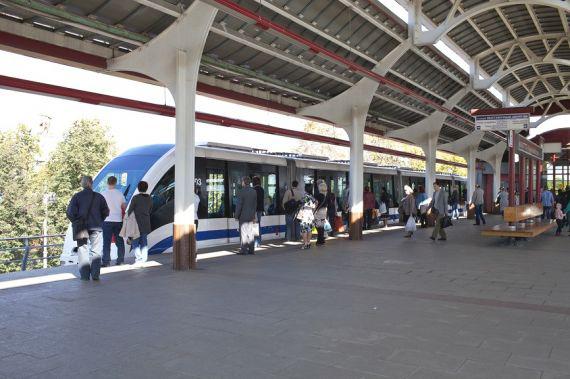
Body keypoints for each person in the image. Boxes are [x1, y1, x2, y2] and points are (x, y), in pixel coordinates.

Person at [66, 175, 109, 281]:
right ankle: (95, 275)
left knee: (82, 250)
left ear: (83, 184)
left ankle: (85, 276)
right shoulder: (99, 197)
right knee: (96, 251)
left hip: (81, 227)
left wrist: (76, 222)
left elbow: (70, 212)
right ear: (91, 183)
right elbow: (106, 212)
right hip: (96, 227)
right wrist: (99, 220)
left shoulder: (77, 197)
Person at [101, 176, 126, 267]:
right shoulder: (120, 194)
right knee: (119, 241)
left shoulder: (103, 194)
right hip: (118, 220)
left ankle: (106, 262)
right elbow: (124, 207)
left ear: (107, 183)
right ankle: (120, 260)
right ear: (115, 183)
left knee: (106, 242)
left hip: (107, 220)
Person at [127, 181, 153, 266]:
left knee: (135, 243)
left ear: (138, 188)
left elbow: (130, 210)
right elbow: (150, 209)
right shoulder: (149, 198)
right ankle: (144, 259)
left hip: (136, 223)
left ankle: (139, 259)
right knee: (144, 242)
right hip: (146, 222)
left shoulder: (135, 198)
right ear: (146, 188)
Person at [235, 176, 257, 255]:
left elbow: (239, 205)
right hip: (251, 215)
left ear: (244, 182)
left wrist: (236, 216)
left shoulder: (241, 191)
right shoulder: (254, 191)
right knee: (251, 233)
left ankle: (243, 250)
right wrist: (254, 216)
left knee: (243, 233)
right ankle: (251, 250)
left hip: (243, 216)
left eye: (242, 182)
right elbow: (255, 205)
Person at [314, 181, 330, 245]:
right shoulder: (327, 195)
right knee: (321, 225)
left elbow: (316, 204)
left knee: (318, 225)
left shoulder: (319, 195)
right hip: (324, 211)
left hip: (319, 211)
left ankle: (319, 240)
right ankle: (322, 240)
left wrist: (314, 211)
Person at [252, 176, 265, 248]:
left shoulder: (253, 189)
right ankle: (258, 242)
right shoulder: (262, 189)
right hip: (260, 210)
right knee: (258, 225)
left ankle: (256, 243)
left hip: (255, 210)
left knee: (255, 226)